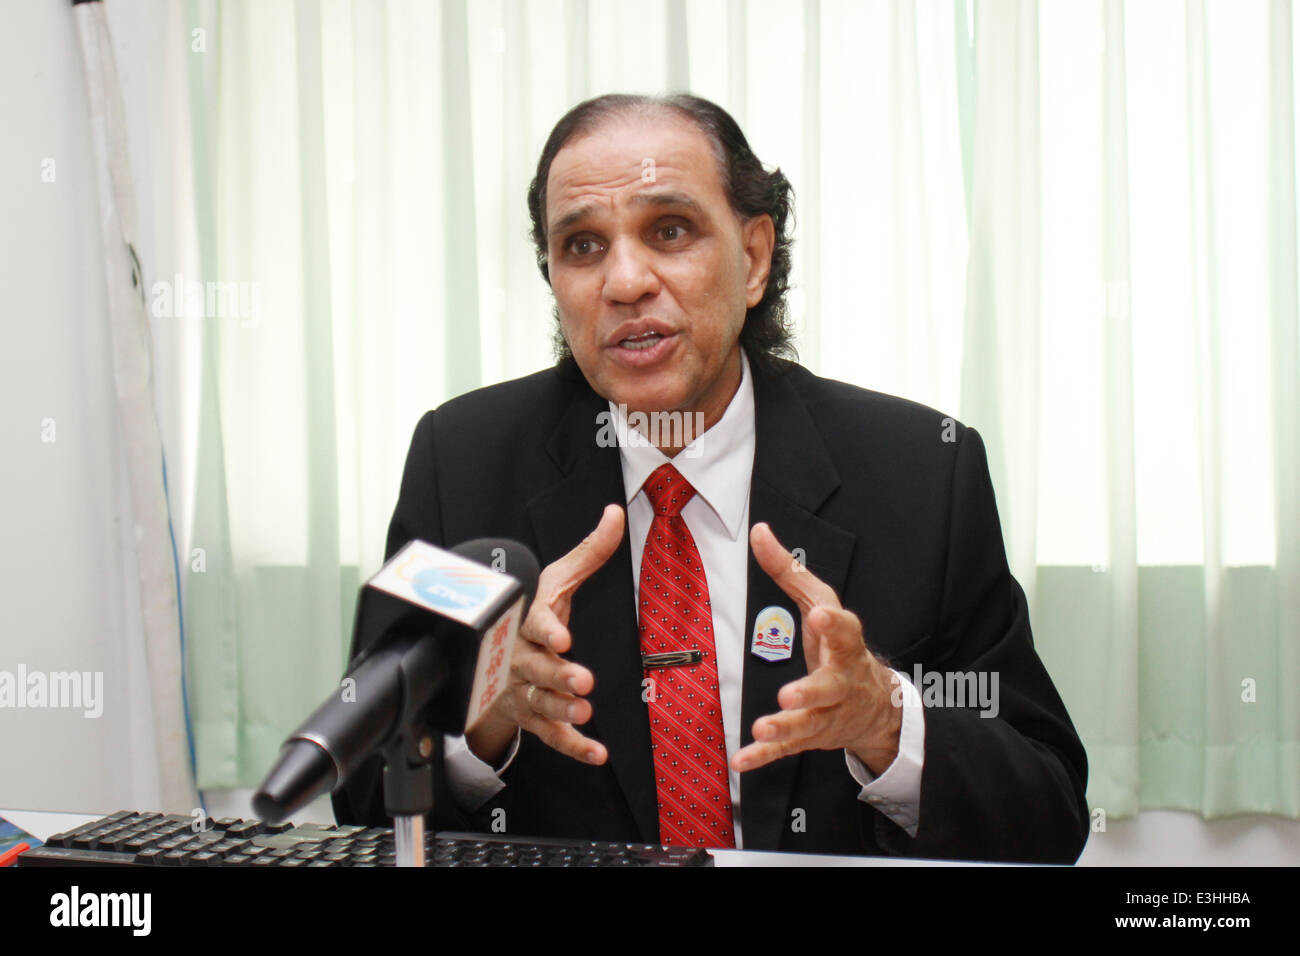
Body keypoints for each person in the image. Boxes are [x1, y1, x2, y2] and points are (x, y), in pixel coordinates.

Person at [333, 93, 1089, 863]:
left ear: (754, 257)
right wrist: (484, 715)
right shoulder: (461, 464)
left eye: (670, 230)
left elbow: (1051, 815)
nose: (625, 281)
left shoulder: (922, 472)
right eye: (584, 246)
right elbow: (361, 806)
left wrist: (885, 721)